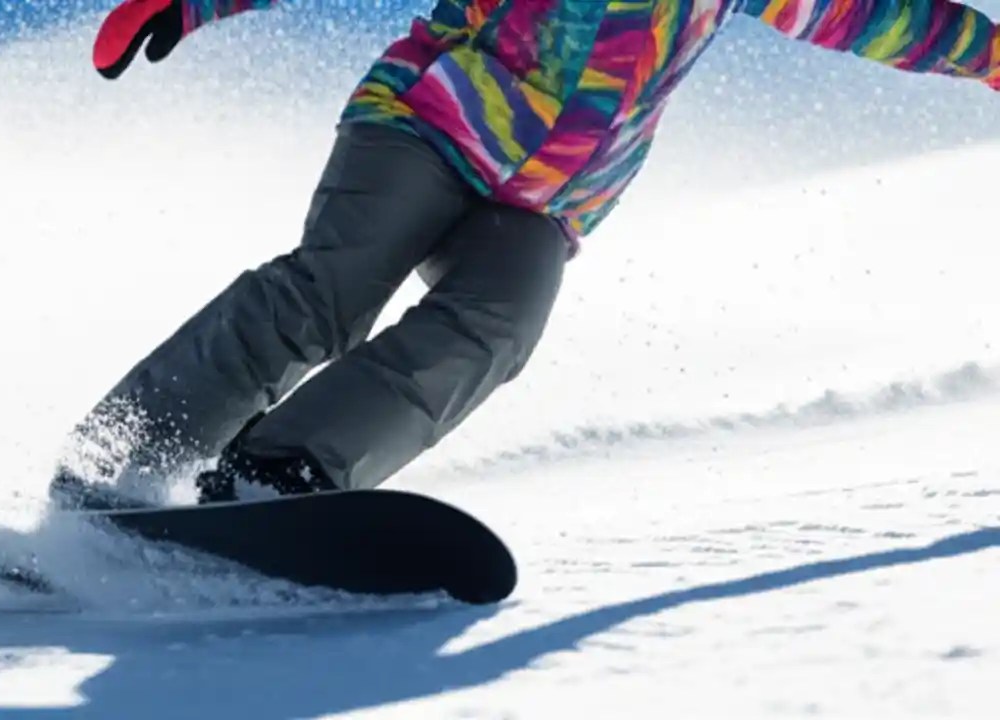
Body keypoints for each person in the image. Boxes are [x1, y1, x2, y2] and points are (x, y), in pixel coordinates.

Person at [52, 0, 999, 508]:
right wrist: (184, 7)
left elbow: (882, 17)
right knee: (332, 291)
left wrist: (993, 52)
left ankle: (280, 477)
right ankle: (127, 450)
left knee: (501, 324)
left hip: (545, 202)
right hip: (424, 127)